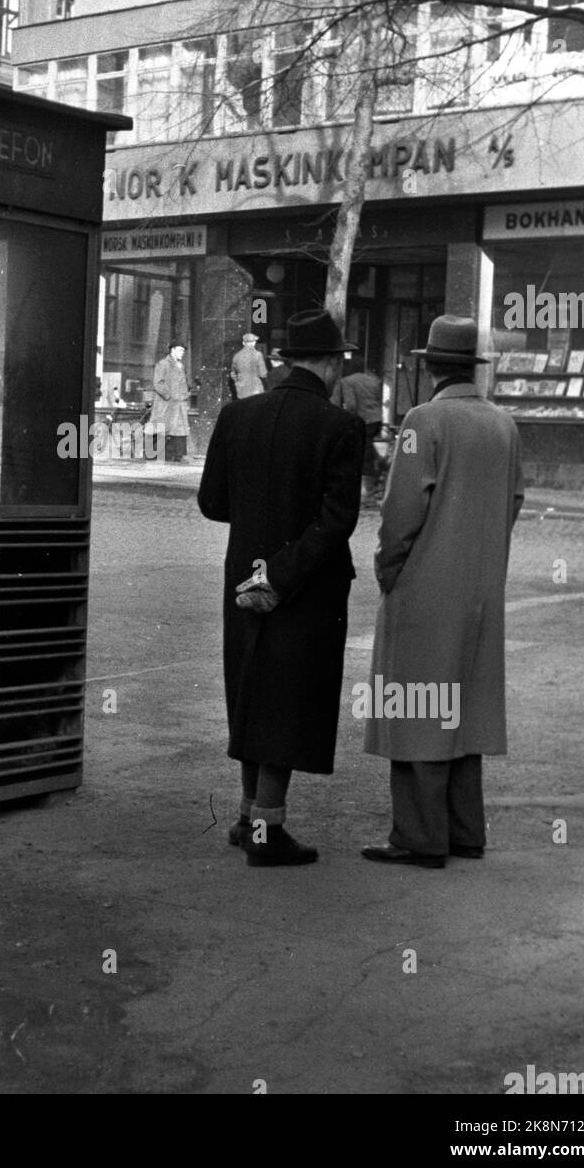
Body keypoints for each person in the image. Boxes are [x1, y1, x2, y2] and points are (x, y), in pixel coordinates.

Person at [198, 309, 365, 866]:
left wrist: (259, 532)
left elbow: (212, 503)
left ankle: (249, 816)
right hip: (305, 583)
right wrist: (283, 572)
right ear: (331, 363)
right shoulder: (340, 427)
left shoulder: (236, 415)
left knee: (250, 688)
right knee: (288, 700)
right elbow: (337, 521)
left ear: (287, 359)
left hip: (242, 575)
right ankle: (266, 830)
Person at [361, 315, 525, 869]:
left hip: (425, 583)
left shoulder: (422, 420)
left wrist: (389, 566)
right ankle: (464, 829)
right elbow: (515, 500)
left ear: (429, 366)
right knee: (464, 705)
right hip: (480, 587)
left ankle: (420, 835)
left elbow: (401, 509)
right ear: (472, 368)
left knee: (417, 703)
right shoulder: (503, 424)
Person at [338, 355, 383, 504]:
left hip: (363, 420)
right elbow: (378, 399)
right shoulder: (374, 380)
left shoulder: (347, 381)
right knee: (367, 449)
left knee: (363, 454)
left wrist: (349, 420)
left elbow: (351, 405)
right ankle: (382, 465)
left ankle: (368, 491)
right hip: (376, 419)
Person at [150, 340, 191, 463]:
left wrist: (185, 395)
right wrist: (169, 396)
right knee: (162, 428)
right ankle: (154, 454)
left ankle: (178, 455)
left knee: (179, 429)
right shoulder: (163, 364)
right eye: (180, 350)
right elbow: (158, 383)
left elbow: (184, 383)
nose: (182, 353)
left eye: (183, 351)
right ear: (172, 350)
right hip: (166, 404)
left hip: (179, 403)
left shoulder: (181, 366)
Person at [229, 332, 267, 398]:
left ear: (243, 343)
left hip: (241, 391)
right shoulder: (258, 355)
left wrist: (238, 382)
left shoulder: (236, 356)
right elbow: (263, 374)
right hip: (256, 390)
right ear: (254, 343)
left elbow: (233, 374)